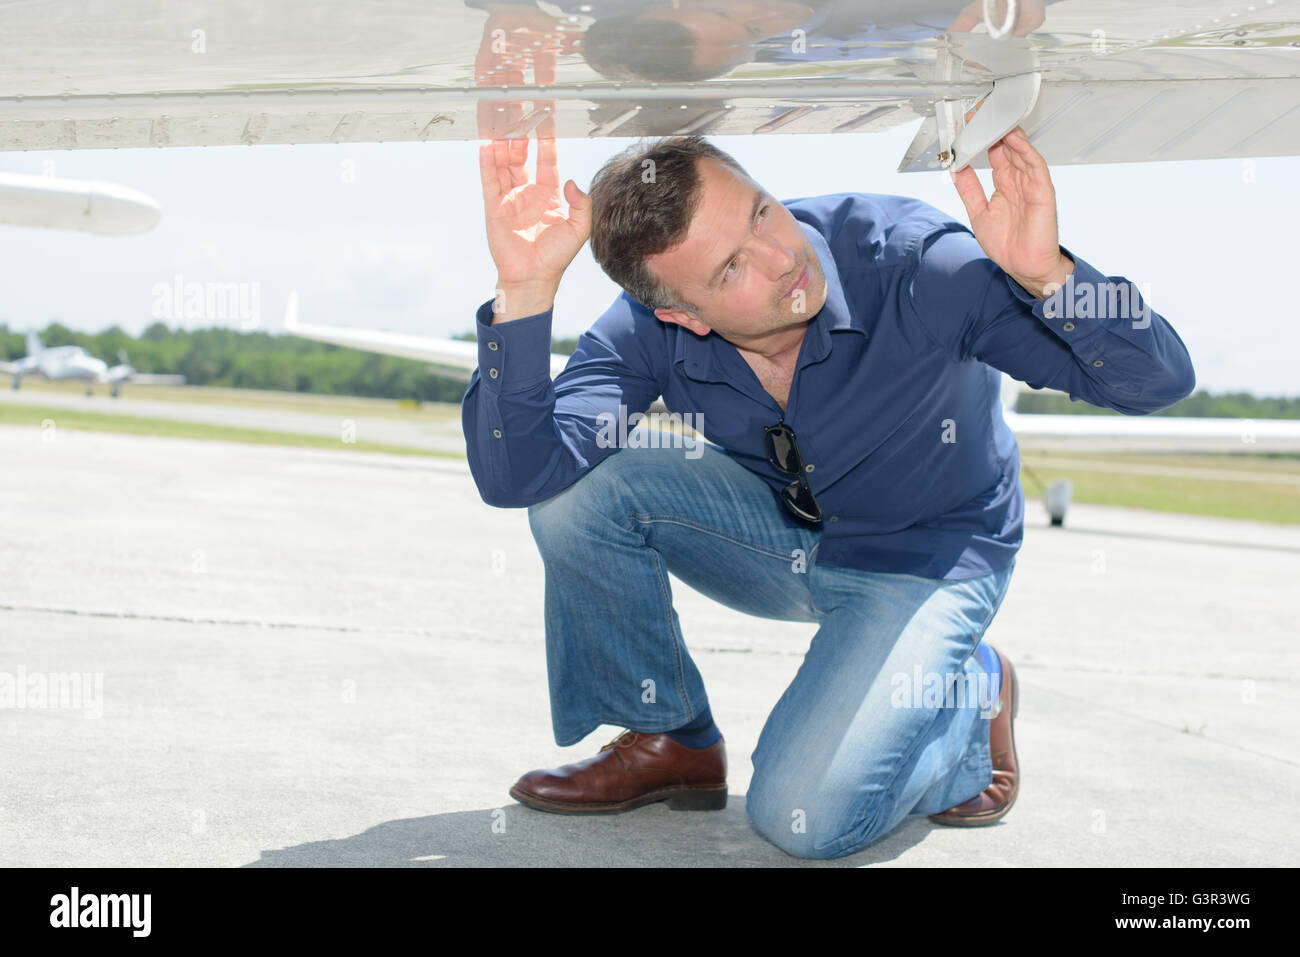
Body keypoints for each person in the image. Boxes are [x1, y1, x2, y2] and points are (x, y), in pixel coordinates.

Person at [462, 127, 1195, 859]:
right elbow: (520, 476)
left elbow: (1157, 382)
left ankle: (968, 698)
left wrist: (1051, 276)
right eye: (730, 271)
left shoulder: (918, 266)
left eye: (759, 212)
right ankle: (670, 738)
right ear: (682, 314)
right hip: (788, 537)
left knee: (801, 818)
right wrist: (524, 294)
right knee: (574, 494)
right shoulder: (645, 334)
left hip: (929, 555)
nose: (782, 257)